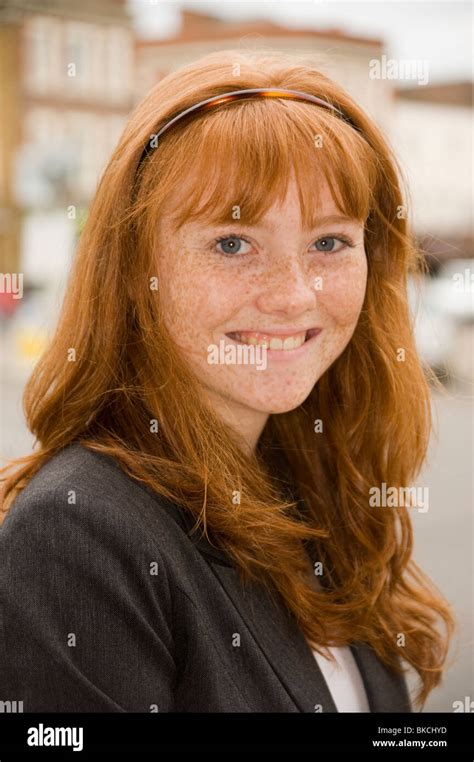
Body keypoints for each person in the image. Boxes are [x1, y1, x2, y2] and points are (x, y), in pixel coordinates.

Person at [0, 50, 453, 713]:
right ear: (133, 269)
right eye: (233, 243)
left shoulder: (309, 490)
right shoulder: (78, 534)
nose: (294, 295)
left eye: (329, 242)